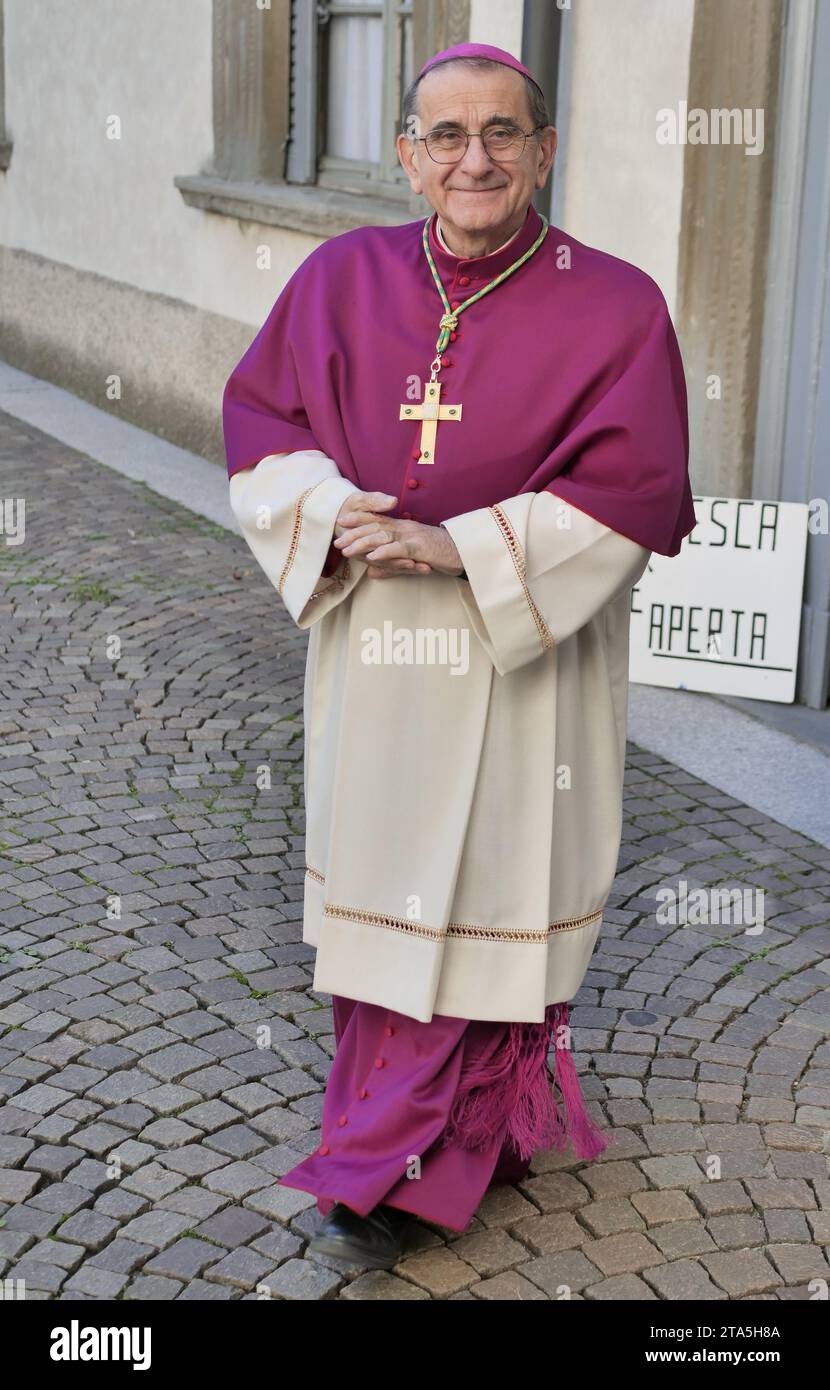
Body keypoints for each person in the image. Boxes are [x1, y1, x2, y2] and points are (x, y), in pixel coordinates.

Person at [222, 41, 696, 1269]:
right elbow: (260, 420)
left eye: (501, 134)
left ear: (544, 153)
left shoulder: (616, 302)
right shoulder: (340, 277)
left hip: (519, 655)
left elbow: (632, 488)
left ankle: (417, 1161)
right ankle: (395, 1141)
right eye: (444, 135)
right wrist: (333, 513)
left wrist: (462, 548)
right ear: (406, 156)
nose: (471, 159)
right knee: (387, 898)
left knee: (497, 891)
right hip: (379, 652)